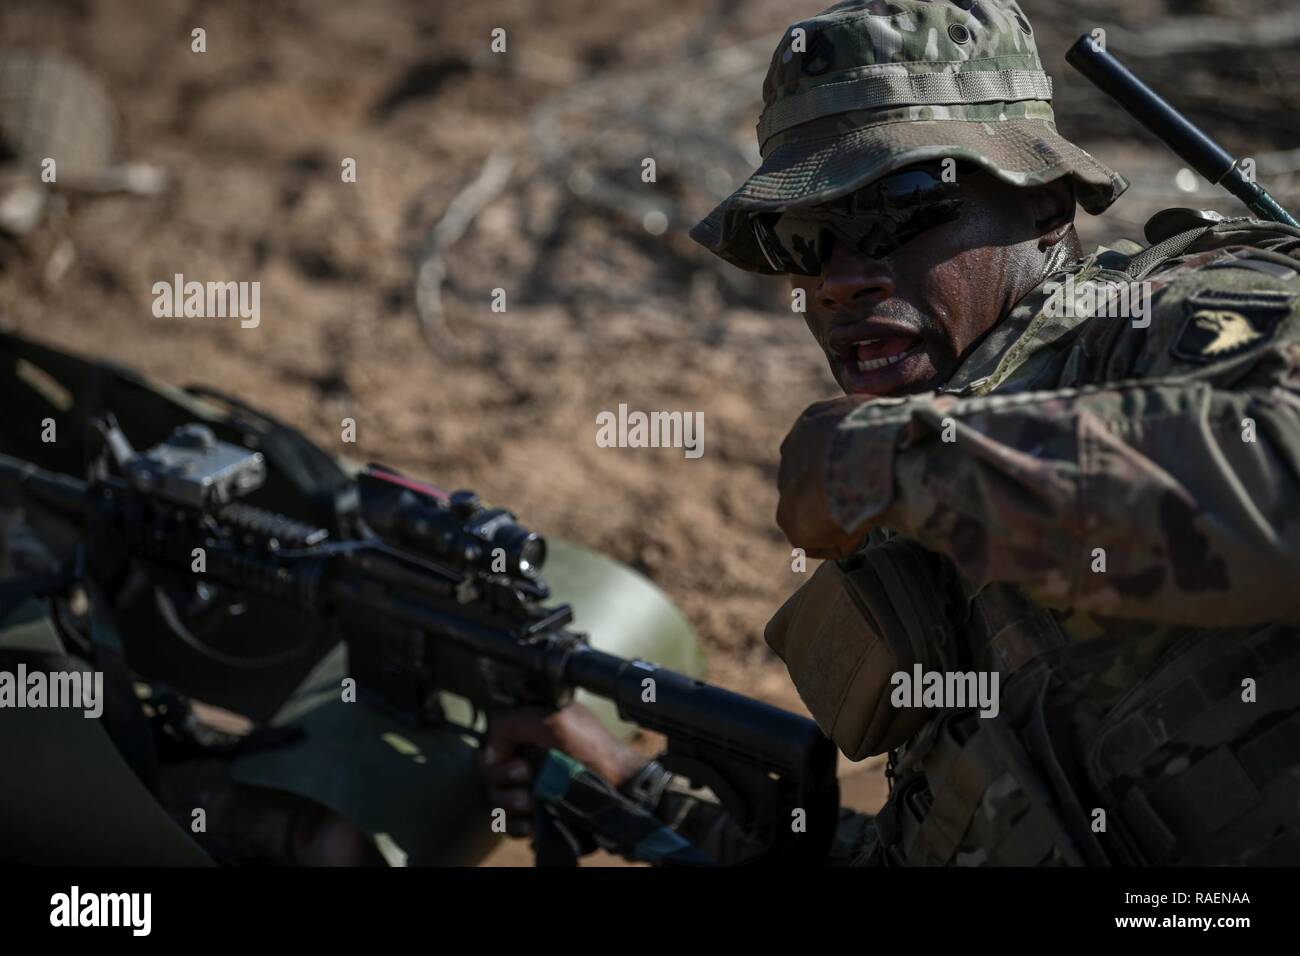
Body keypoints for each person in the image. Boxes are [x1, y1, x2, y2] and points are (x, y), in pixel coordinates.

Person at [483, 0, 1300, 865]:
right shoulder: (934, 516)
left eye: (900, 208)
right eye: (804, 239)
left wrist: (895, 464)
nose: (838, 283)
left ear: (1046, 206)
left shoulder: (1179, 321)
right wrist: (629, 791)